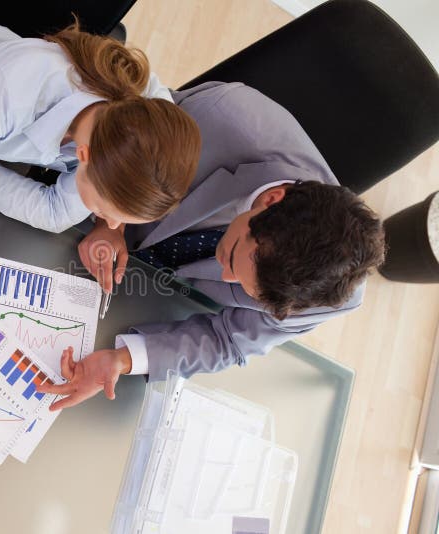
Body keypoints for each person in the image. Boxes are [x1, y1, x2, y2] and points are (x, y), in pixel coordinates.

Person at [0, 22, 202, 399]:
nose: (112, 226)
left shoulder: (155, 118)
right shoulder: (14, 92)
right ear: (84, 158)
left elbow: (54, 213)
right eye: (111, 212)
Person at [37, 81, 386, 410]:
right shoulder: (222, 118)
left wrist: (122, 360)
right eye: (234, 257)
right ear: (272, 200)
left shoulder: (331, 291)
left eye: (250, 292)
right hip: (77, 214)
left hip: (148, 301)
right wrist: (109, 221)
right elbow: (116, 143)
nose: (224, 276)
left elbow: (229, 341)